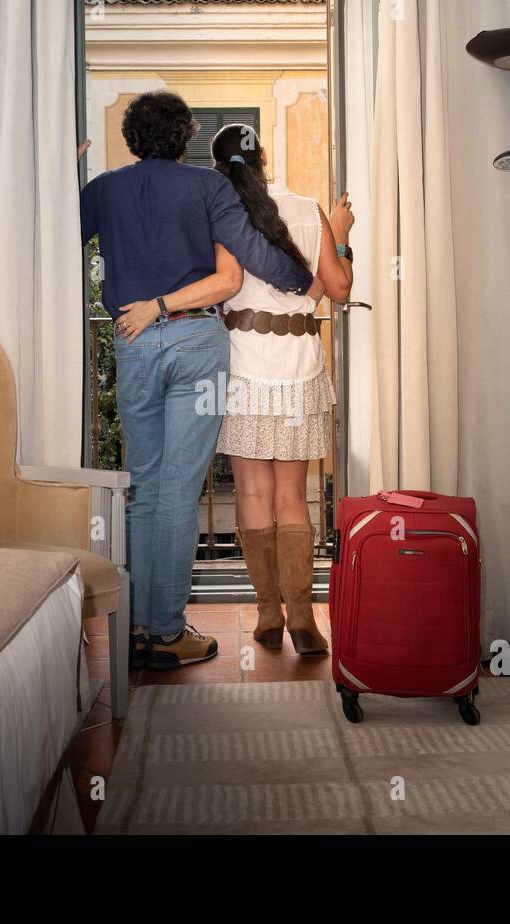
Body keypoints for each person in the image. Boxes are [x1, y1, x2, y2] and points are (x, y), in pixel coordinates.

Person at [80, 91, 314, 670]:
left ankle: (135, 627)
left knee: (143, 487)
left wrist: (63, 177)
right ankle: (166, 631)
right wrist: (298, 279)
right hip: (197, 346)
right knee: (180, 491)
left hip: (133, 340)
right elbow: (250, 249)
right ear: (185, 137)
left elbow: (54, 236)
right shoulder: (207, 187)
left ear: (132, 138)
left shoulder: (104, 189)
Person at [119, 123, 354, 656]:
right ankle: (303, 621)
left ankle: (268, 615)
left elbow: (223, 285)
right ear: (263, 156)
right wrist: (340, 236)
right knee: (292, 496)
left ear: (218, 166)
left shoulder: (222, 213)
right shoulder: (307, 208)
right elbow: (337, 288)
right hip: (299, 365)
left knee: (251, 493)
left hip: (245, 364)